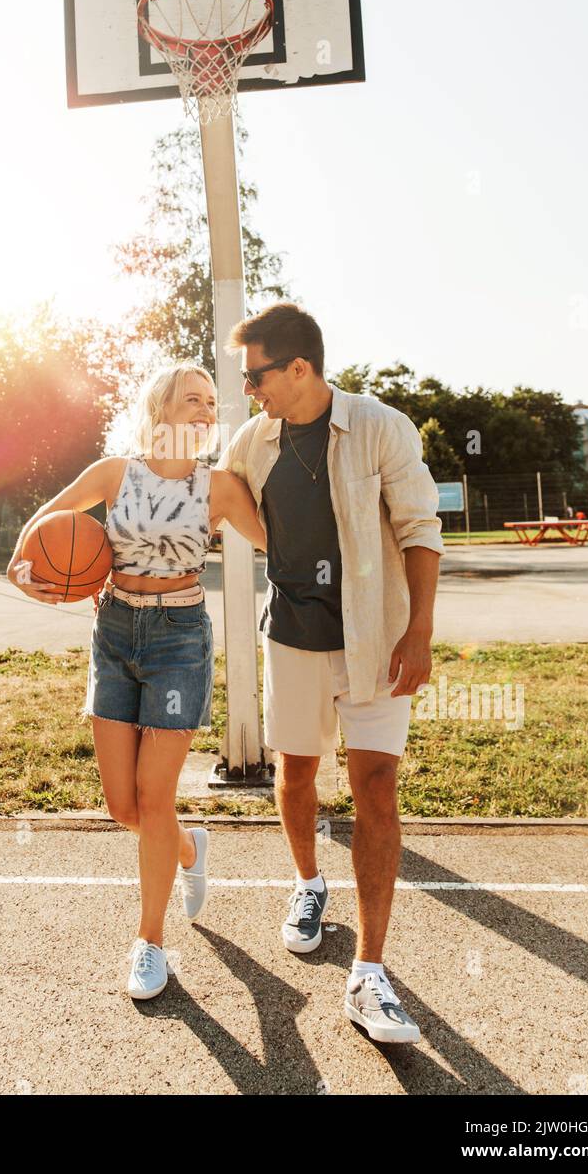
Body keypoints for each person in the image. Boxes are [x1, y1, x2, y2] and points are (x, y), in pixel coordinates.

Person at [215, 303, 444, 1043]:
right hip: (292, 636)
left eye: (257, 376)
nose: (250, 390)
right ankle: (309, 885)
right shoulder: (254, 440)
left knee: (376, 784)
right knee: (296, 774)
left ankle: (369, 973)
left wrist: (418, 630)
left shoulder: (380, 426)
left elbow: (419, 528)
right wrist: (274, 548)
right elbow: (226, 491)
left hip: (374, 638)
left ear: (298, 368)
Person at [7, 364, 265, 1001]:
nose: (206, 410)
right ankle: (186, 848)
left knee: (154, 799)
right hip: (115, 633)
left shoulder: (222, 487)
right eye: (192, 400)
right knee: (124, 806)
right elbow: (43, 523)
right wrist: (22, 570)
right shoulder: (114, 473)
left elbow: (279, 542)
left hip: (179, 639)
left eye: (212, 402)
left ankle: (150, 943)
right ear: (162, 409)